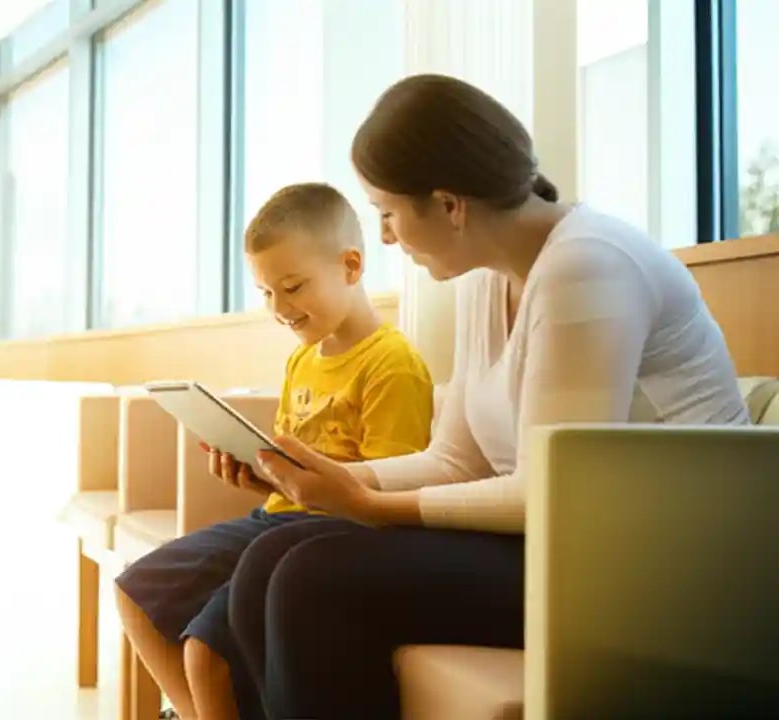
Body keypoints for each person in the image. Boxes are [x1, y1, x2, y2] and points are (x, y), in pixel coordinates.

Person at [226, 73, 750, 719]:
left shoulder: (588, 264)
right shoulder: (487, 279)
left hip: (662, 568)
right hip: (575, 543)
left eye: (387, 211)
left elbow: (552, 491)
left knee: (312, 578)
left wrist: (365, 504)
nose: (385, 235)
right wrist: (322, 480)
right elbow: (457, 461)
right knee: (271, 554)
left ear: (449, 204)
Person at [114, 182, 434, 720]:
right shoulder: (301, 362)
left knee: (205, 651)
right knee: (135, 593)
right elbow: (293, 468)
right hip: (276, 518)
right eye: (266, 293)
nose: (280, 308)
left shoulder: (391, 363)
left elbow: (387, 493)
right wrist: (261, 477)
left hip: (331, 534)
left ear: (351, 267)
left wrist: (308, 489)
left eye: (293, 287)